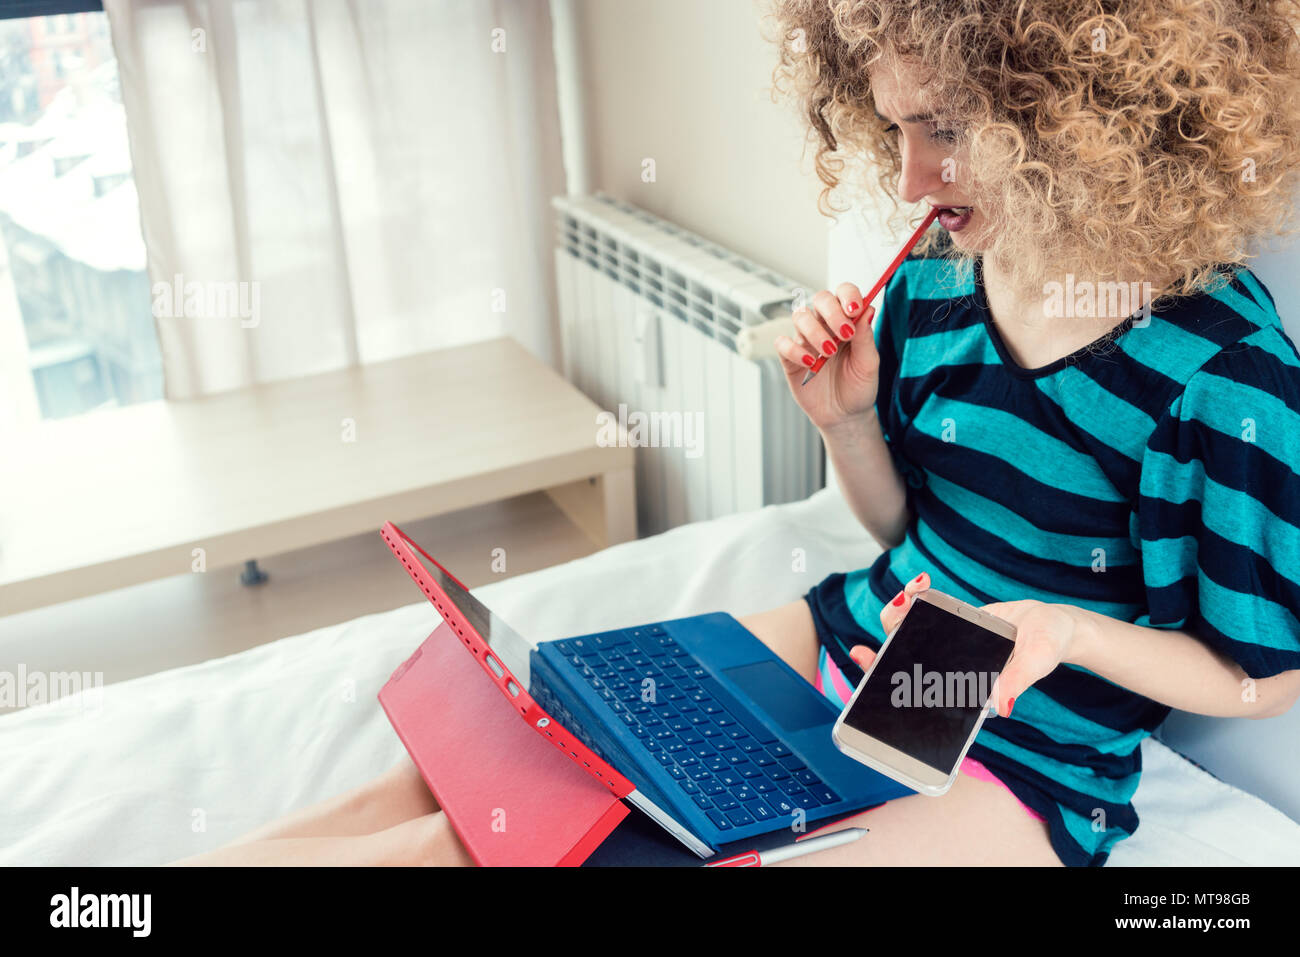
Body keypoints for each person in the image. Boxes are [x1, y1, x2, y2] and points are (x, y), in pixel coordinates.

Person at [177, 0, 1300, 866]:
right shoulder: (938, 281)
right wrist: (848, 424)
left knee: (521, 844)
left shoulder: (1221, 375)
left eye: (946, 130)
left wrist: (1066, 633)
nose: (910, 177)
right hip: (853, 640)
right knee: (489, 759)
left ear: (1086, 115)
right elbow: (903, 524)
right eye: (896, 127)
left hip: (1023, 756)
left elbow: (1263, 678)